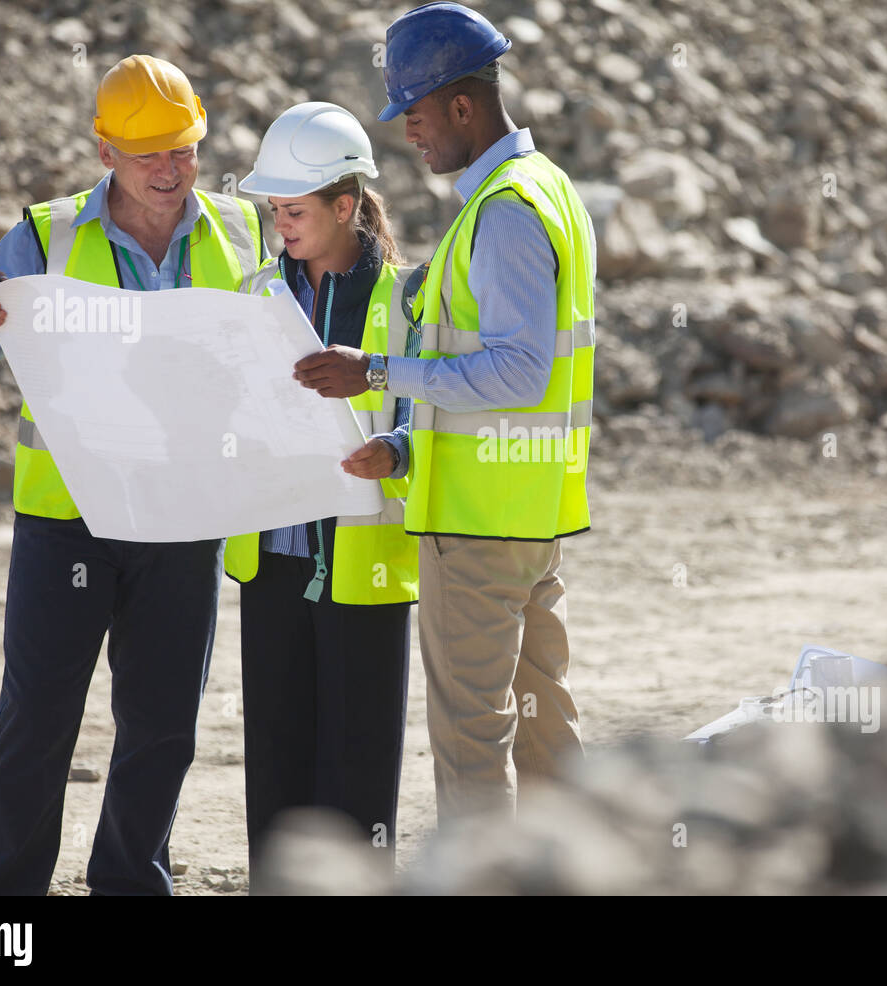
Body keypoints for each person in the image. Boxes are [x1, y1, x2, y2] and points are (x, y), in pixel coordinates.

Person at [0, 54, 266, 895]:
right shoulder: (48, 236)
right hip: (66, 521)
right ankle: (8, 902)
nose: (170, 170)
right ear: (105, 151)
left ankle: (128, 881)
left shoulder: (243, 232)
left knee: (162, 728)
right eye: (148, 152)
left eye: (183, 149)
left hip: (184, 518)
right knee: (36, 721)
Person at [296, 1, 597, 826]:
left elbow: (518, 370)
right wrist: (402, 441)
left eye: (417, 114)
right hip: (532, 515)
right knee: (545, 729)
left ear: (462, 106)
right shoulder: (549, 190)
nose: (409, 135)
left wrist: (378, 371)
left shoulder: (502, 211)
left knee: (472, 741)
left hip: (477, 526)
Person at [221, 102, 419, 868]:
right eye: (274, 210)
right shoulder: (255, 293)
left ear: (346, 206)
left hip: (364, 570)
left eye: (295, 210)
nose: (282, 225)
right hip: (272, 562)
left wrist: (395, 452)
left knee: (358, 767)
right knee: (274, 763)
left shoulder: (404, 300)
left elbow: (430, 419)